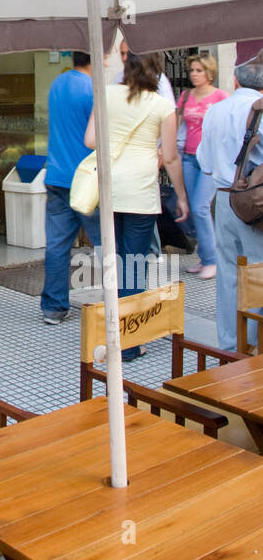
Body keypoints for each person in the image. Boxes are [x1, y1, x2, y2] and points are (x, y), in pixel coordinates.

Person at [84, 49, 188, 361]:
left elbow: (90, 139)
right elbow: (169, 156)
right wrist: (181, 195)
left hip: (109, 189)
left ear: (126, 68)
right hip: (141, 192)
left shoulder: (106, 94)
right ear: (157, 71)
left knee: (114, 262)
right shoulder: (162, 105)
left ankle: (113, 332)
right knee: (134, 263)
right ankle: (128, 343)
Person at [197, 50, 263, 352]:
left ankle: (228, 343)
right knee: (258, 272)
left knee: (227, 272)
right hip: (255, 203)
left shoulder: (216, 110)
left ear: (235, 80)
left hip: (224, 198)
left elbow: (204, 162)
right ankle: (252, 342)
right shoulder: (260, 110)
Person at [39, 53, 101, 326]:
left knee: (56, 245)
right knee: (107, 243)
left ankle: (53, 308)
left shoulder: (57, 83)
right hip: (87, 179)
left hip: (56, 175)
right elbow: (97, 137)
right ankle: (119, 304)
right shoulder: (94, 89)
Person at [176, 54, 227, 279]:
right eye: (192, 70)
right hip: (188, 158)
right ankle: (205, 256)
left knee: (200, 207)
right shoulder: (186, 96)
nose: (194, 74)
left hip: (210, 160)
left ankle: (213, 261)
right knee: (193, 209)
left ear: (209, 72)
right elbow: (177, 125)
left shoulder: (220, 96)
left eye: (199, 70)